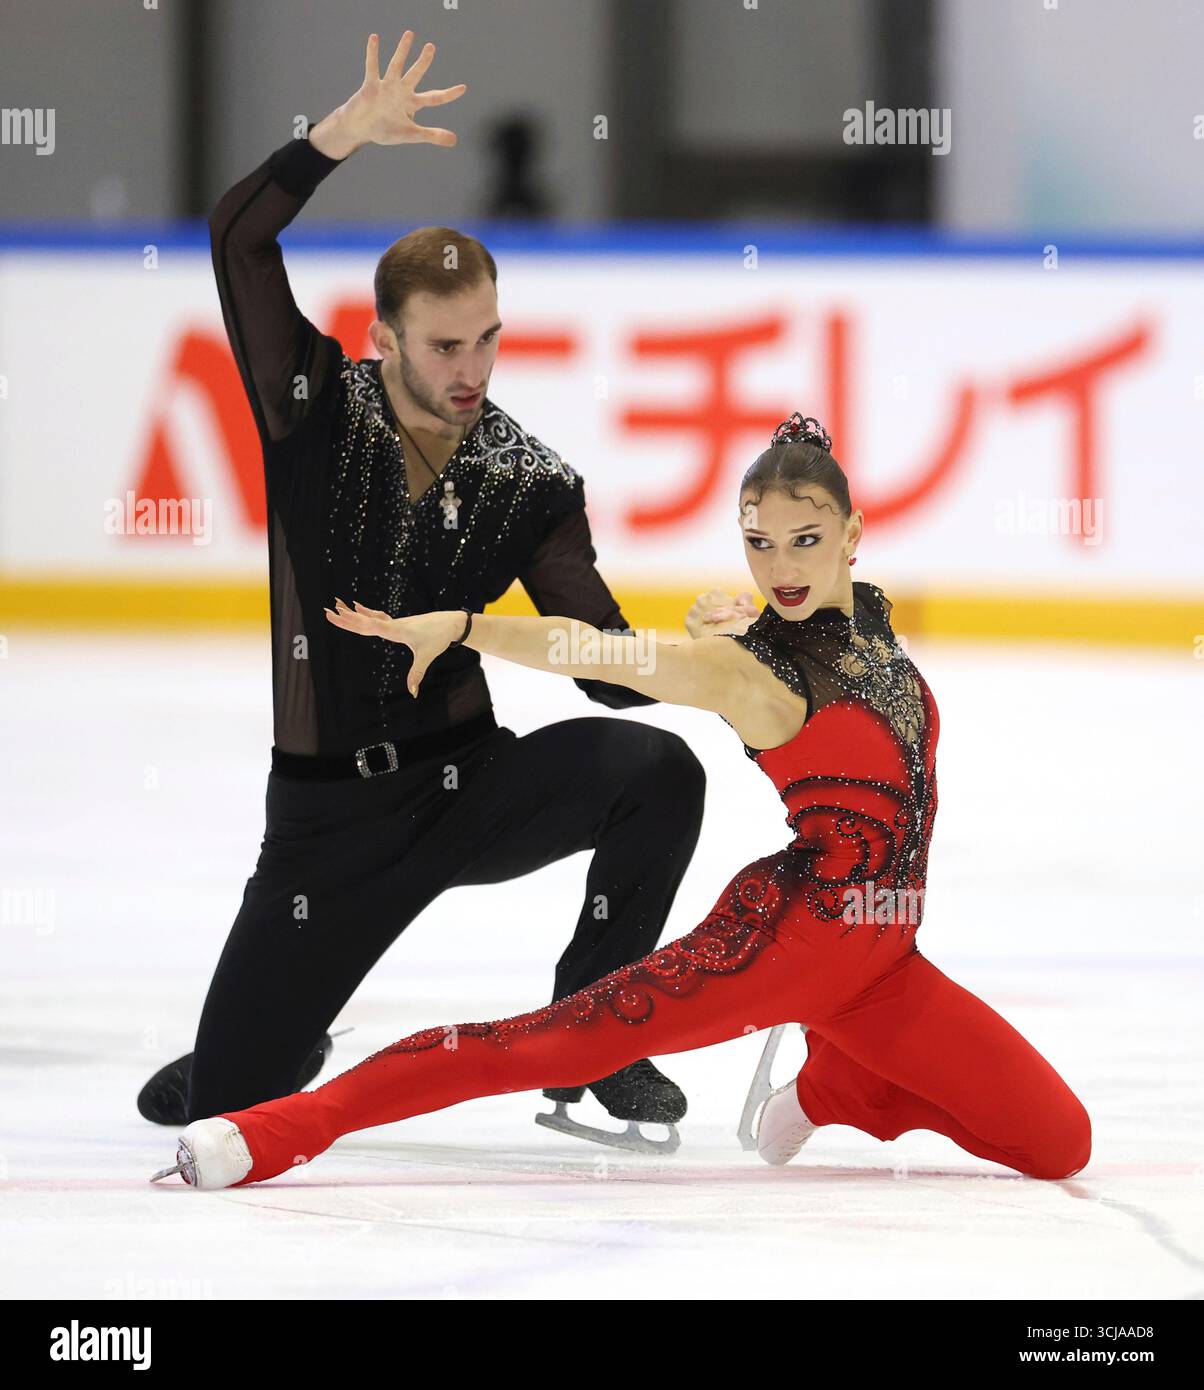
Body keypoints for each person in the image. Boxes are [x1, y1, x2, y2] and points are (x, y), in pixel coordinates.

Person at [152, 412, 1092, 1190]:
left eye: (806, 540)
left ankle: (842, 1087)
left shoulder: (865, 623)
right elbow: (593, 650)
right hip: (786, 945)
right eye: (758, 545)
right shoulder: (747, 673)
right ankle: (276, 1133)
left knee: (1059, 1146)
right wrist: (470, 627)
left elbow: (814, 614)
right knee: (537, 1048)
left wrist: (743, 612)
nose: (783, 566)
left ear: (852, 535)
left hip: (886, 962)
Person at [137, 30, 715, 1150]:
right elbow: (238, 239)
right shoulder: (311, 408)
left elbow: (599, 663)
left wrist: (693, 659)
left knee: (657, 772)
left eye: (488, 340)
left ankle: (597, 1024)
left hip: (468, 788)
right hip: (324, 825)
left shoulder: (528, 478)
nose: (472, 371)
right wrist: (337, 138)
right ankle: (273, 1033)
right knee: (229, 1112)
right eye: (446, 345)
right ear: (381, 338)